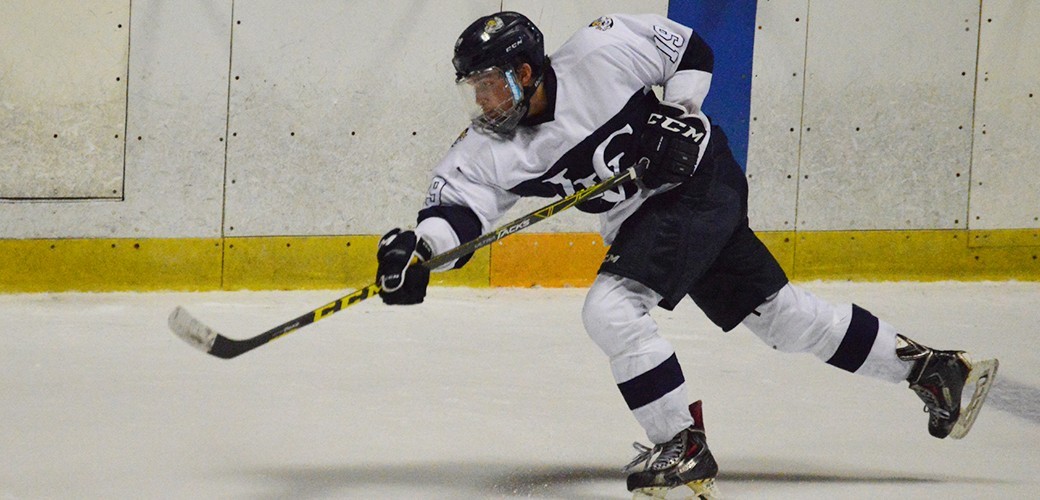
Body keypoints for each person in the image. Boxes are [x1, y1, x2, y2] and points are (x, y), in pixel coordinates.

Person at [373, 11, 998, 499]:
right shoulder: (489, 148)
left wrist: (679, 112)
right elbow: (458, 215)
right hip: (653, 216)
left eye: (491, 85)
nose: (484, 102)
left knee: (612, 308)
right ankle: (935, 371)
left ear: (527, 71)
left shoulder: (600, 50)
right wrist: (418, 251)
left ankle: (681, 443)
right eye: (475, 90)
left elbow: (690, 50)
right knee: (780, 317)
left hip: (698, 181)